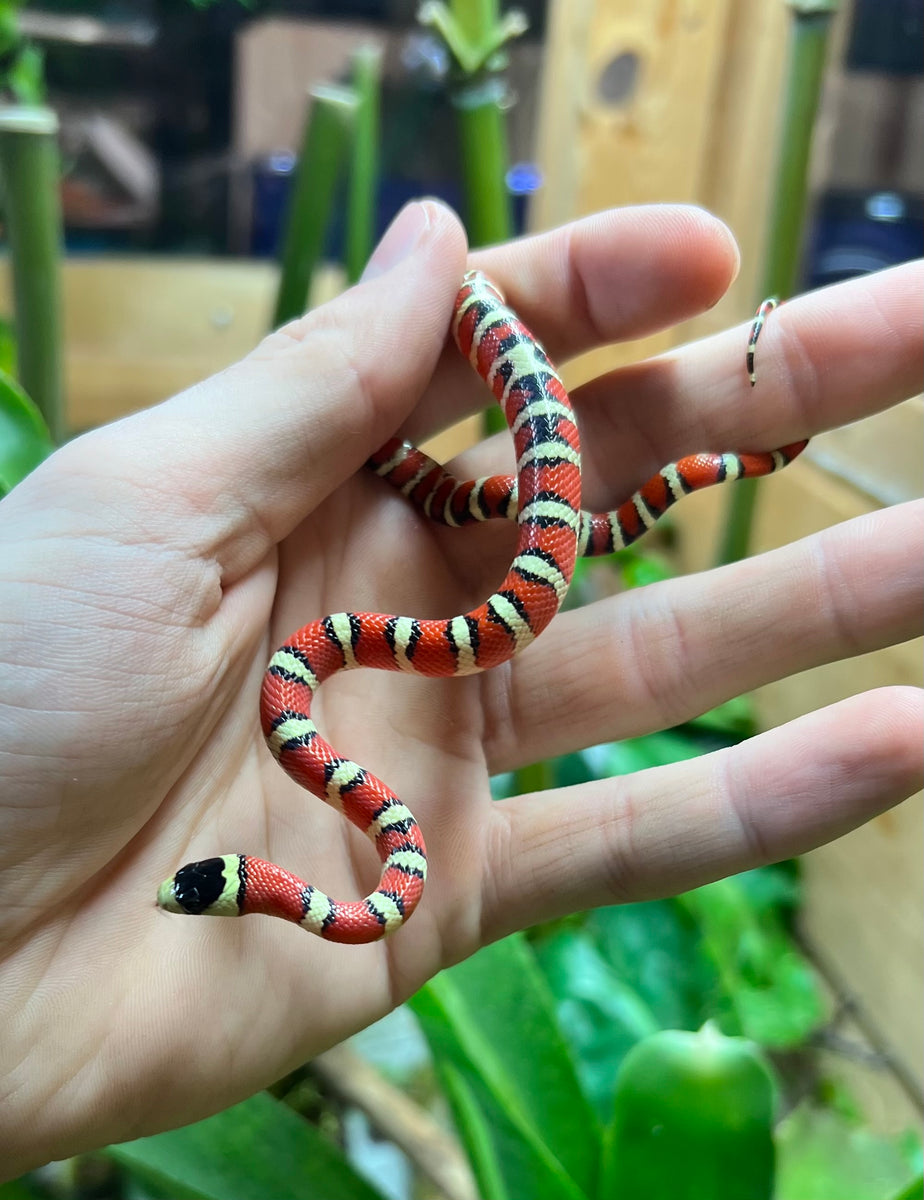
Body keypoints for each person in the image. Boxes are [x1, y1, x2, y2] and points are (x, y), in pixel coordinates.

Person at [0, 201, 920, 1178]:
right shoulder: (358, 855)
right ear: (249, 892)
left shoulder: (307, 724)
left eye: (210, 886)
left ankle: (571, 409)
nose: (197, 894)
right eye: (215, 889)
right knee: (514, 482)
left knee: (507, 452)